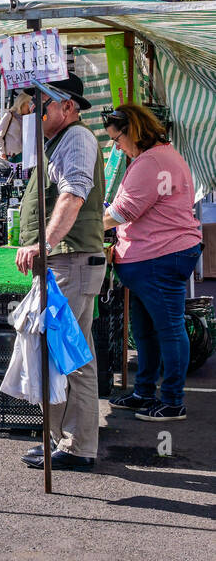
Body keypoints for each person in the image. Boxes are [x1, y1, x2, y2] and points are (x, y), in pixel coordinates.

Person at [13, 73, 107, 472]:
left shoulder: (77, 140)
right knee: (65, 354)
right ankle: (65, 440)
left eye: (44, 103)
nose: (37, 109)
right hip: (65, 261)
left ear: (68, 107)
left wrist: (44, 243)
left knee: (70, 356)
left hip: (70, 260)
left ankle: (77, 445)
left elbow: (72, 194)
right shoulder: (60, 140)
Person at [102, 104, 202, 421]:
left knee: (169, 329)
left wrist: (83, 227)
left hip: (161, 255)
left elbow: (123, 212)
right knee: (146, 331)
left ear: (131, 131)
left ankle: (172, 401)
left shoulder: (153, 161)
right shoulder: (158, 157)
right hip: (154, 256)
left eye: (117, 139)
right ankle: (145, 391)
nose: (116, 146)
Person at [0, 93, 32, 162]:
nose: (30, 107)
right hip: (11, 157)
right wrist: (3, 155)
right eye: (28, 104)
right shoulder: (9, 115)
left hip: (26, 156)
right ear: (22, 104)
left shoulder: (29, 118)